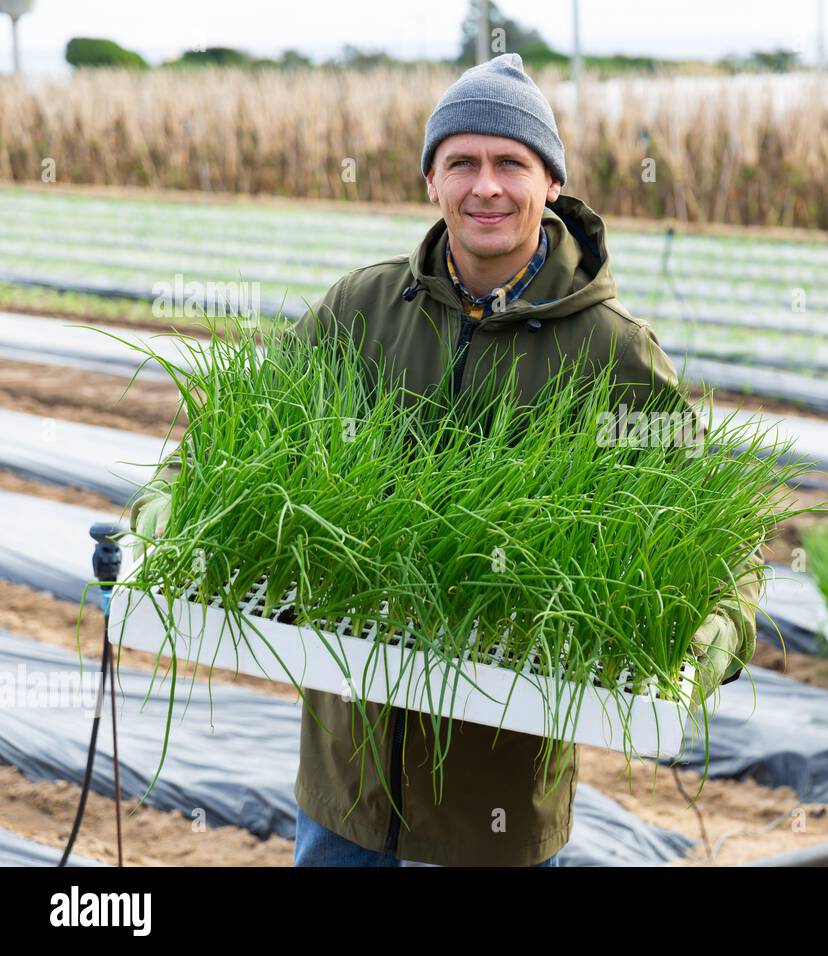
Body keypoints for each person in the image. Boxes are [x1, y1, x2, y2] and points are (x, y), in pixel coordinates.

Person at [128, 53, 762, 867]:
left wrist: (723, 623)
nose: (485, 186)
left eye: (511, 163)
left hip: (495, 808)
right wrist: (167, 503)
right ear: (432, 182)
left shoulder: (611, 353)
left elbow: (711, 526)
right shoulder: (361, 310)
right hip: (347, 790)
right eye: (461, 161)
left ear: (553, 185)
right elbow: (229, 441)